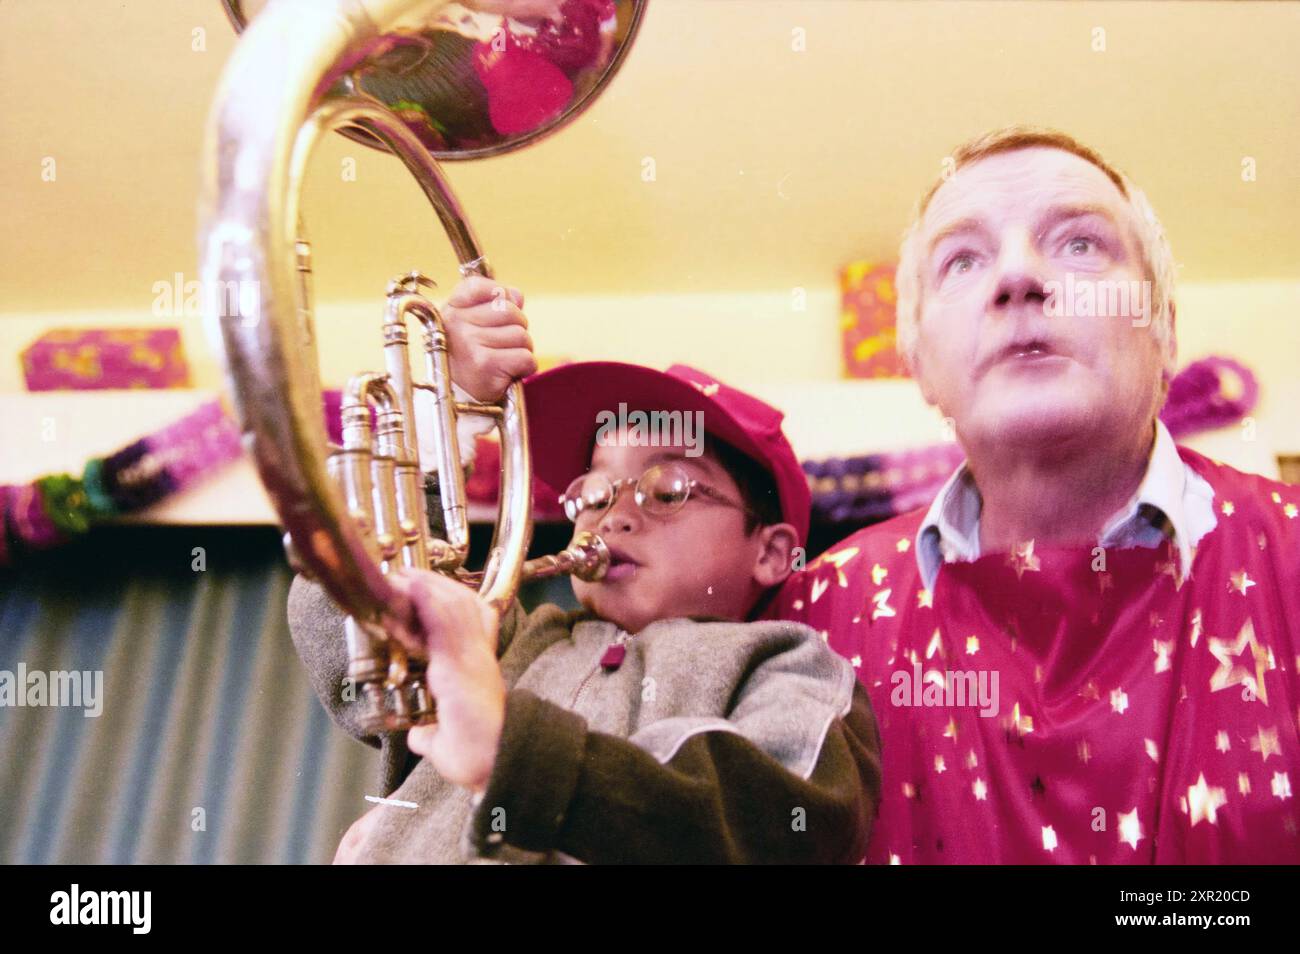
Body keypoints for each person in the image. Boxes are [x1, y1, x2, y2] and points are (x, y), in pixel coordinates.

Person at [771, 126, 1300, 863]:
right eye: (963, 259)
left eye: (1080, 244)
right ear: (918, 362)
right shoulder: (811, 620)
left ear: (1166, 330)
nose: (1017, 278)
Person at [288, 278, 881, 863]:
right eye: (593, 494)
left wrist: (511, 750)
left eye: (667, 489)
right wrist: (447, 416)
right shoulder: (506, 640)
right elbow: (344, 613)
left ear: (771, 552)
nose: (614, 515)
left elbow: (785, 823)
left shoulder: (787, 664)